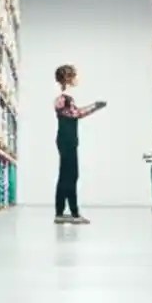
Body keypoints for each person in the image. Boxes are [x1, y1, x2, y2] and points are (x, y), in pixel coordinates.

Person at [53, 64, 106, 224]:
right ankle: (74, 214)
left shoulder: (64, 98)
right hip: (67, 141)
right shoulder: (64, 99)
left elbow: (75, 113)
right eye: (74, 75)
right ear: (68, 78)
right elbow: (77, 113)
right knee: (71, 176)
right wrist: (95, 106)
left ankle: (60, 213)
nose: (77, 78)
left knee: (65, 176)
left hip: (66, 140)